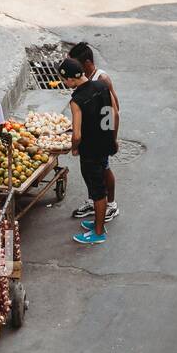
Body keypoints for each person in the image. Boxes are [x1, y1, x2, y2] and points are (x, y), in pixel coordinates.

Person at [60, 57, 116, 245]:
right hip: (105, 144)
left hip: (90, 150)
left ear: (69, 79)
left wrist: (74, 149)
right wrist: (113, 139)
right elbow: (112, 113)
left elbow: (76, 135)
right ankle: (97, 223)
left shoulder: (77, 100)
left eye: (64, 80)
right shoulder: (101, 86)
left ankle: (98, 232)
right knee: (99, 185)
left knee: (97, 190)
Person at [66, 42, 120, 225]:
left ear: (86, 63)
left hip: (99, 140)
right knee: (90, 173)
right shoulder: (83, 83)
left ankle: (110, 204)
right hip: (90, 140)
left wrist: (112, 139)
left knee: (103, 170)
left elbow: (114, 111)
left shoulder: (101, 80)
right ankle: (93, 202)